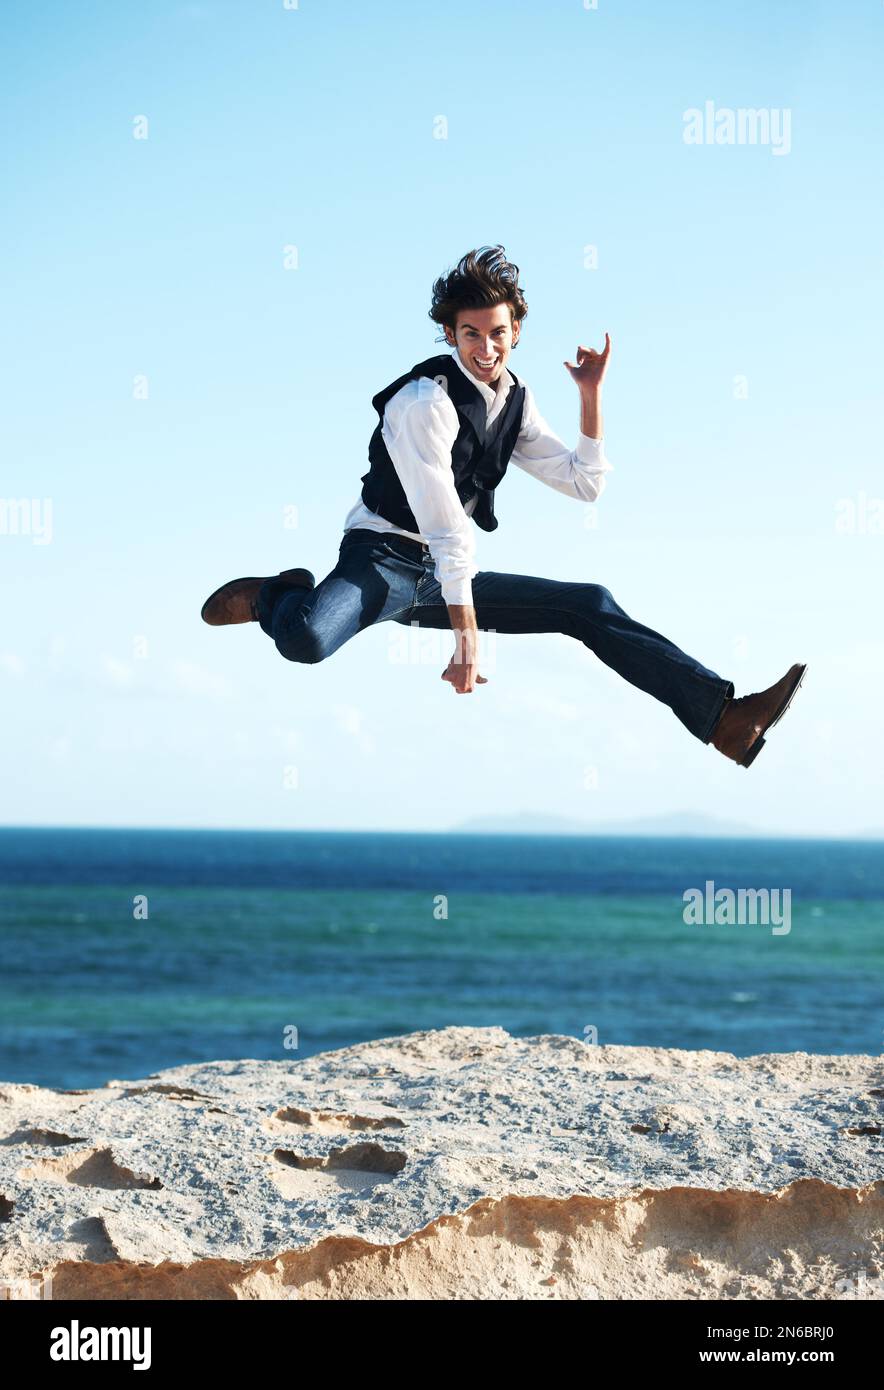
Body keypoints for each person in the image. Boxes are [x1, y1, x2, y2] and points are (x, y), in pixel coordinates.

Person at [201, 245, 805, 768]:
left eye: (497, 333)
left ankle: (724, 719)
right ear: (450, 335)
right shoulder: (422, 403)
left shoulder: (514, 400)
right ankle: (274, 595)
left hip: (441, 576)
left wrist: (590, 398)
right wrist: (467, 639)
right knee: (306, 638)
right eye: (470, 334)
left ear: (515, 329)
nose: (485, 348)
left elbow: (583, 483)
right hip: (379, 560)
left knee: (586, 604)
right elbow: (444, 525)